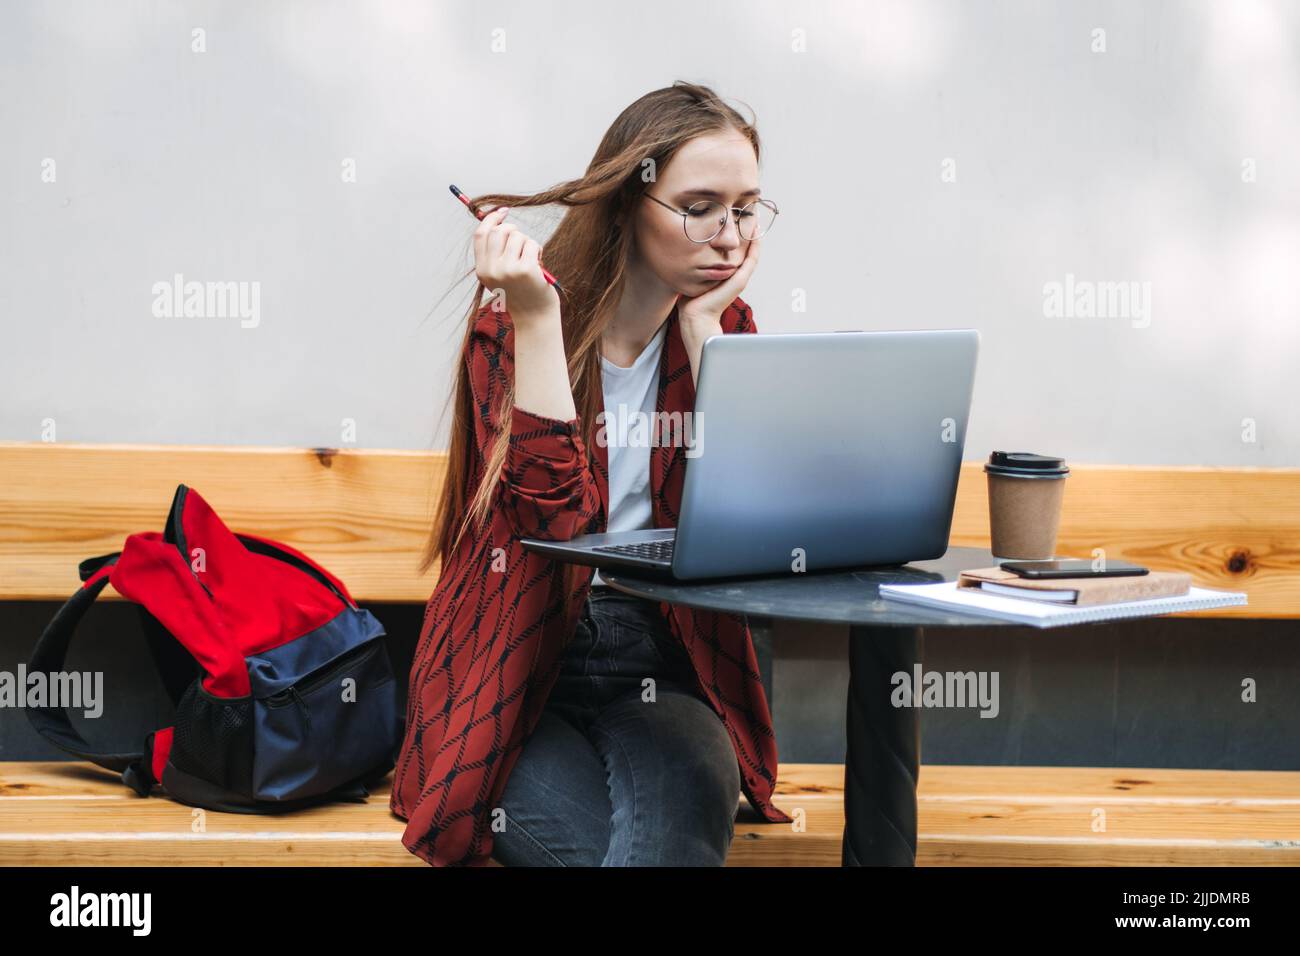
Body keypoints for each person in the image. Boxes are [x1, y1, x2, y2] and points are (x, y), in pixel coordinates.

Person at [389, 81, 790, 867]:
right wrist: (537, 321)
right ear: (629, 202)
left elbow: (759, 525)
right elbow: (553, 523)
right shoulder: (517, 321)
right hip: (514, 665)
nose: (729, 237)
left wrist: (707, 337)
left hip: (664, 664)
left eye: (746, 208)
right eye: (699, 205)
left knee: (671, 840)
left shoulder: (727, 328)